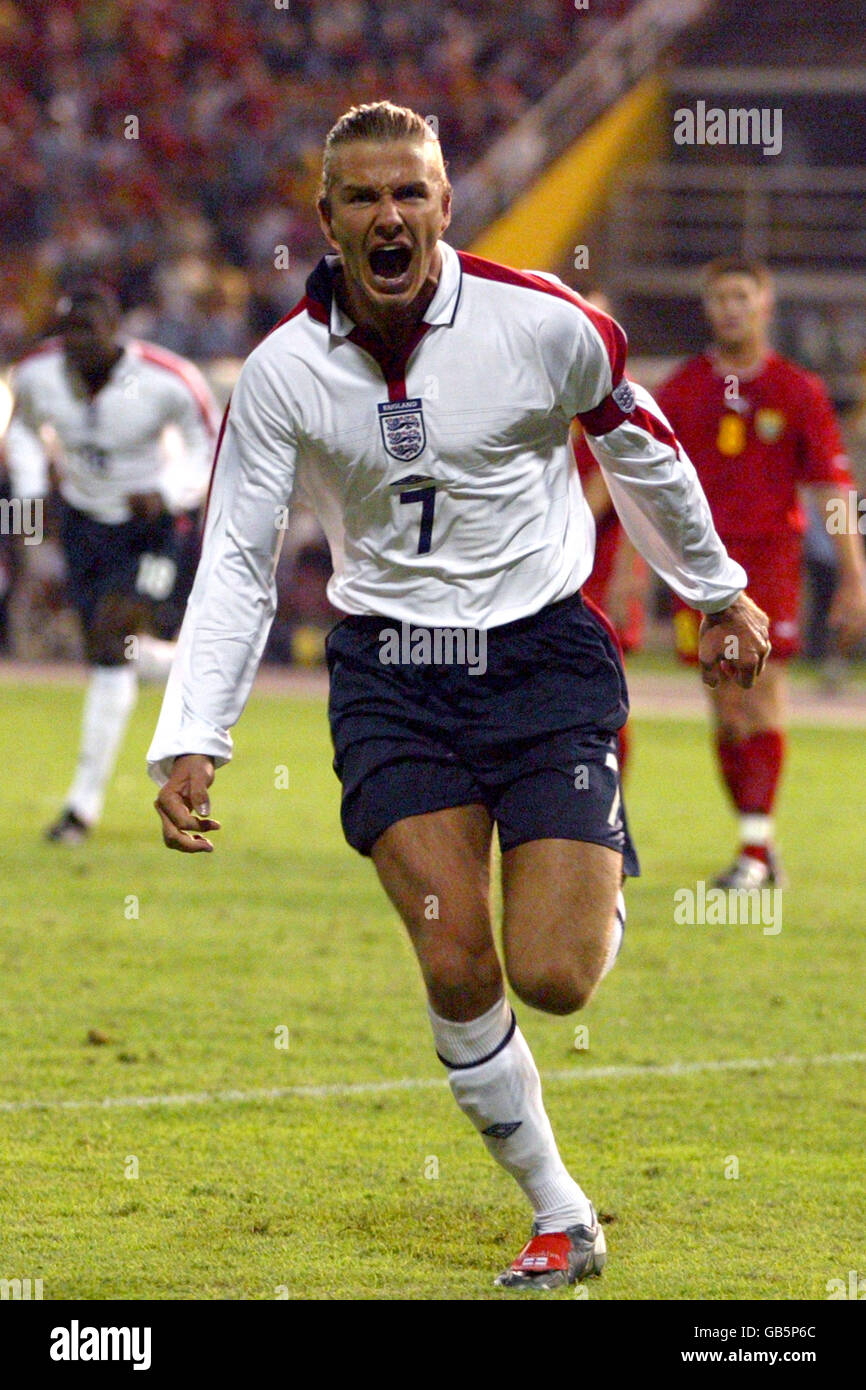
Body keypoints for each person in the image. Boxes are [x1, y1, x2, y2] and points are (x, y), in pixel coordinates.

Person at [147, 103, 769, 1292]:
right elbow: (236, 554)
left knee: (556, 974)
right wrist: (195, 735)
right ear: (325, 217)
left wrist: (717, 590)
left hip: (540, 659)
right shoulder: (282, 371)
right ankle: (559, 1210)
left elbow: (637, 448)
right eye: (363, 197)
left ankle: (588, 856)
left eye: (410, 194)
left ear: (445, 206)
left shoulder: (542, 323)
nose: (389, 216)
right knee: (452, 959)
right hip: (392, 673)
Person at [657, 258, 866, 889]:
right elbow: (650, 480)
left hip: (770, 564)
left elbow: (831, 483)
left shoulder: (797, 390)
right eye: (719, 297)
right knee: (725, 707)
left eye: (742, 297)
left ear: (766, 303)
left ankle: (754, 851)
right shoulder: (683, 387)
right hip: (698, 569)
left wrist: (854, 576)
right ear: (707, 306)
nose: (730, 308)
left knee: (760, 695)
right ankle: (757, 846)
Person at [5, 282, 218, 843]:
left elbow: (208, 442)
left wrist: (169, 492)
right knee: (111, 653)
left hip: (152, 529)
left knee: (111, 634)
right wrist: (28, 512)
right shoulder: (36, 375)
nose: (76, 343)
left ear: (115, 331)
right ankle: (195, 669)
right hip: (83, 525)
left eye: (88, 330)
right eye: (67, 331)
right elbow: (23, 434)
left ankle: (81, 807)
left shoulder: (167, 378)